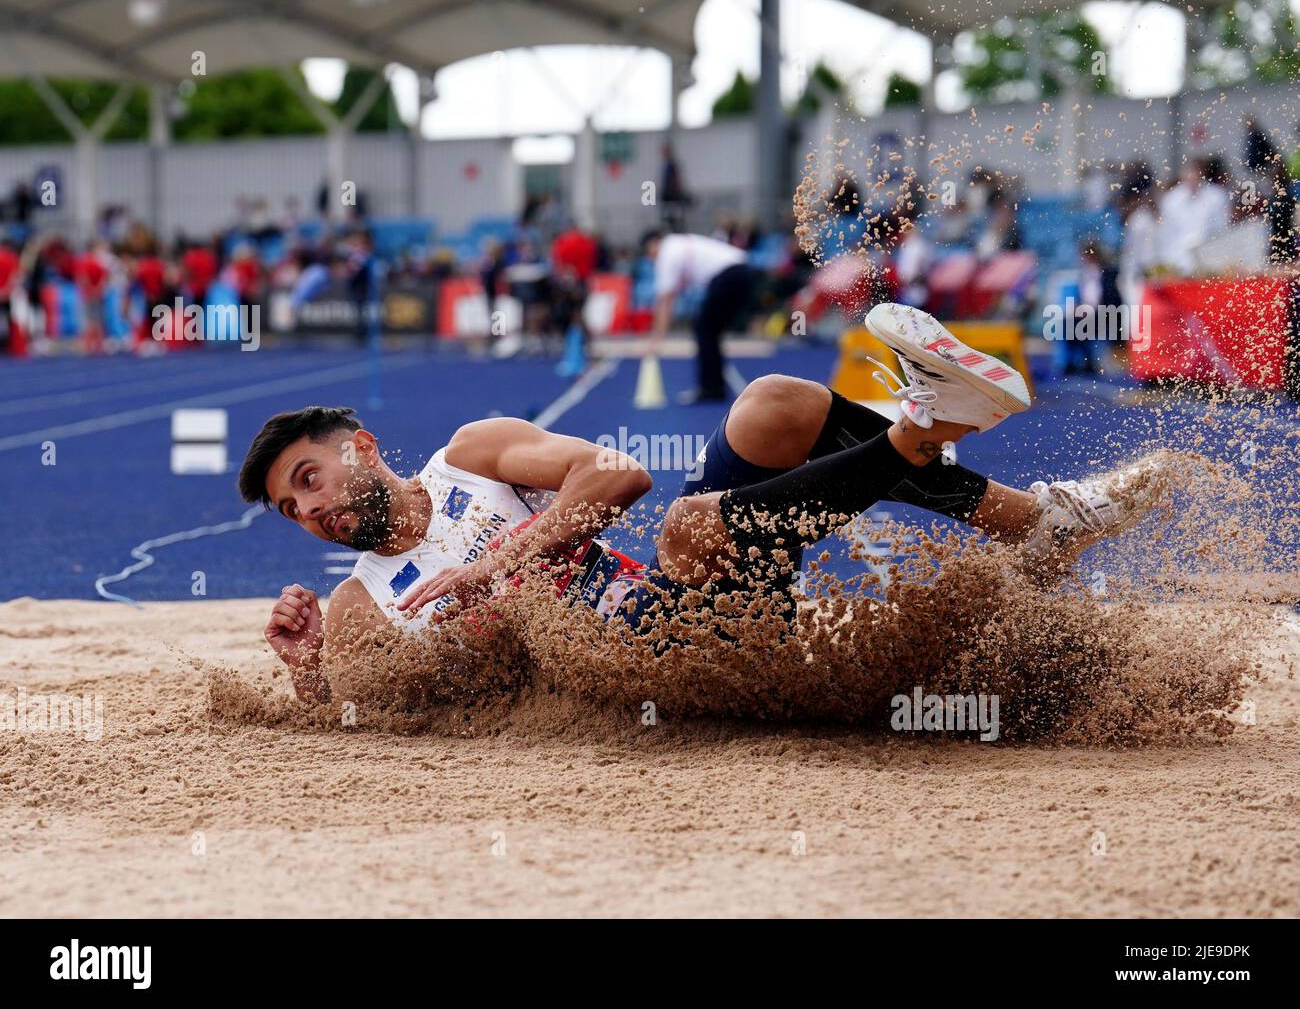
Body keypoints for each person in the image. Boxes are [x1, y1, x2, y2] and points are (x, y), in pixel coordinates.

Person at [237, 304, 1169, 703]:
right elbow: (358, 717)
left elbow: (615, 475)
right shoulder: (361, 602)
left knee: (775, 404)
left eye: (309, 479)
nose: (310, 510)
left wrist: (496, 561)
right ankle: (919, 428)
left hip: (697, 609)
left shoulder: (471, 457)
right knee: (693, 524)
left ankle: (1036, 522)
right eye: (292, 509)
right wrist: (308, 671)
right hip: (649, 679)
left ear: (359, 448)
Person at [641, 227, 757, 404]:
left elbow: (665, 301)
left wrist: (656, 340)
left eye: (650, 254)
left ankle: (711, 388)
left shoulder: (667, 252)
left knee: (704, 329)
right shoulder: (677, 242)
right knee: (709, 330)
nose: (651, 259)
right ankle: (715, 384)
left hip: (730, 275)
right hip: (741, 272)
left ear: (654, 244)